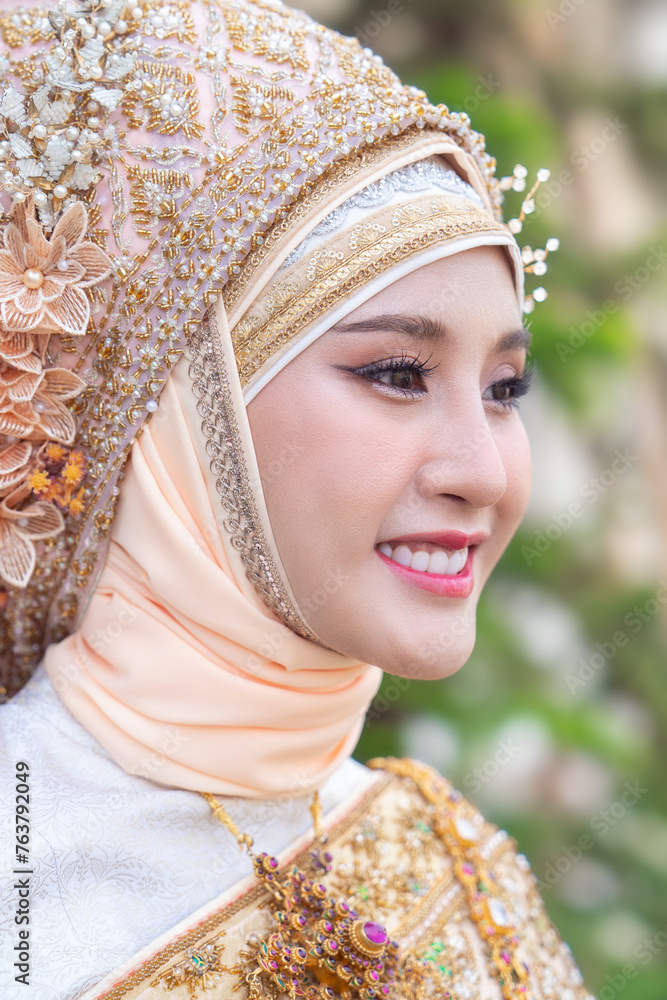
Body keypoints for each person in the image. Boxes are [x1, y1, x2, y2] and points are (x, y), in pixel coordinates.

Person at [0, 1, 591, 998]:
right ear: (180, 414)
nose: (483, 472)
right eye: (397, 373)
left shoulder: (452, 856)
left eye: (504, 390)